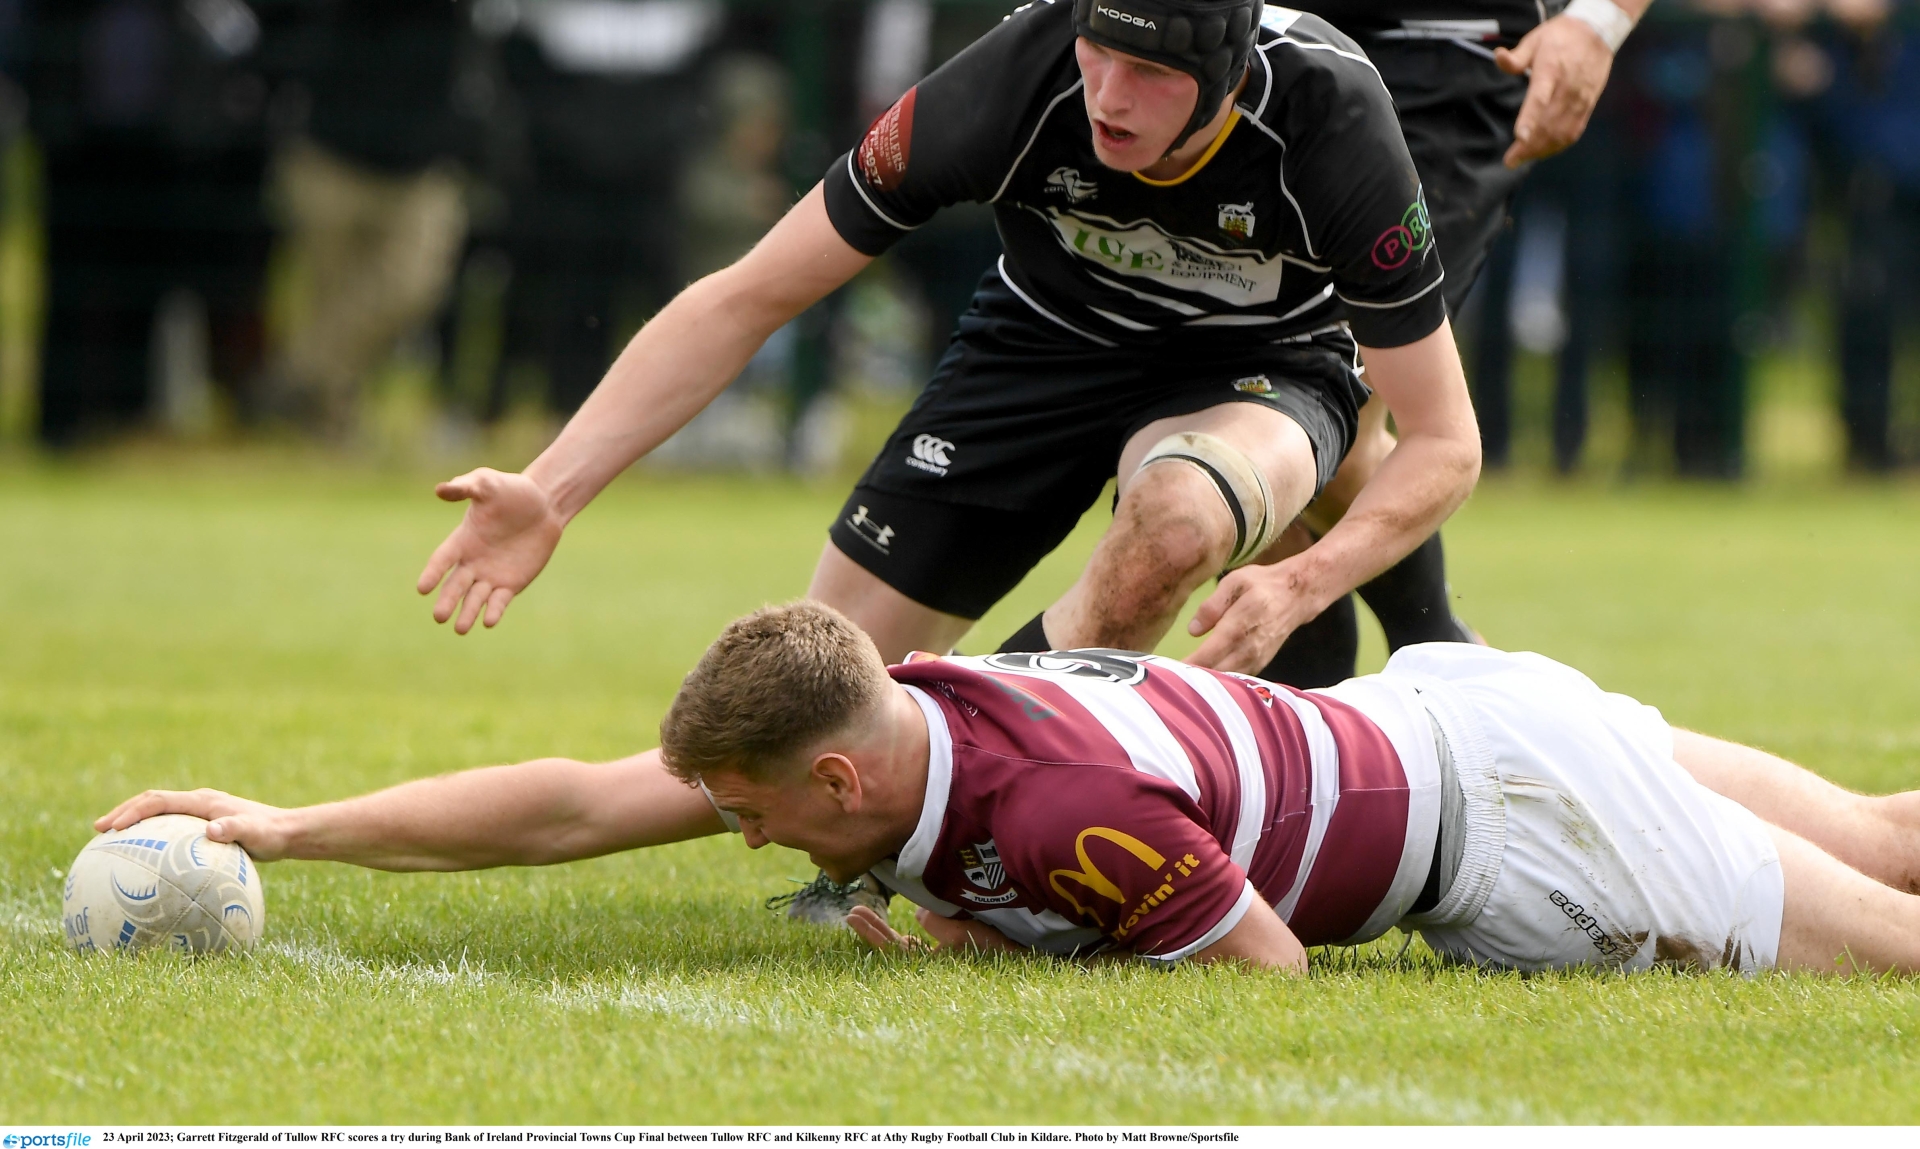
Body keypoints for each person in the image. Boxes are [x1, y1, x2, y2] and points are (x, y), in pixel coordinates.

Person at [416, 0, 1479, 692]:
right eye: (1099, 51)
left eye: (1152, 73)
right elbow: (744, 298)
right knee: (809, 700)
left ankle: (973, 796)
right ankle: (919, 804)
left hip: (1258, 371)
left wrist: (1306, 584)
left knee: (1175, 521)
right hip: (1043, 342)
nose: (1110, 95)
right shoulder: (1013, 80)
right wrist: (551, 490)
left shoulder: (1332, 115)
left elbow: (1443, 441)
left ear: (1232, 73)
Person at [98, 601, 1920, 974]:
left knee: (1893, 947)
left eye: (744, 811)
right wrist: (280, 820)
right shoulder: (916, 709)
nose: (734, 838)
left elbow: (1265, 970)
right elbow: (576, 800)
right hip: (1456, 703)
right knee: (1899, 832)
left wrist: (1005, 937)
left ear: (829, 771)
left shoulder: (1041, 808)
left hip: (1520, 829)